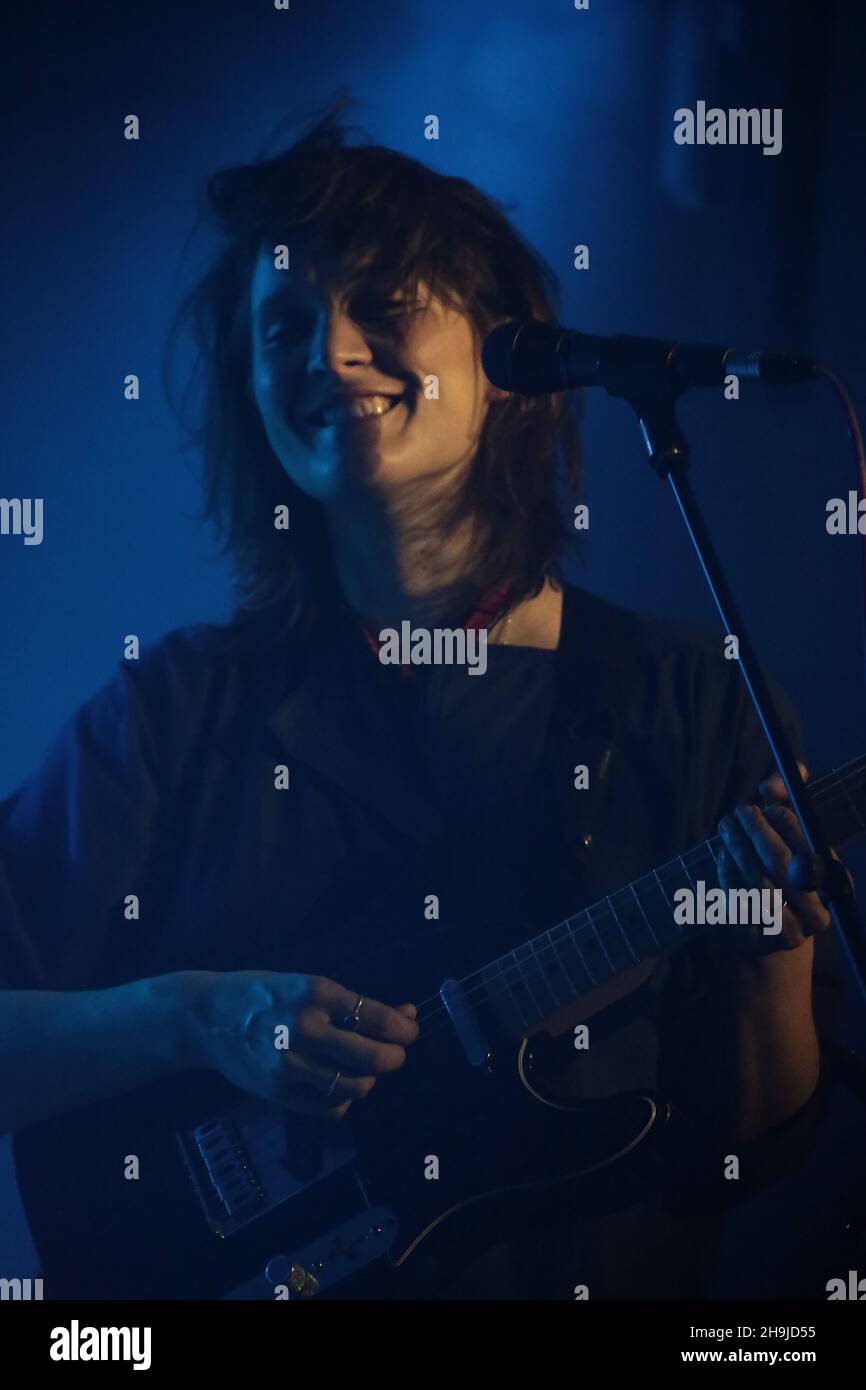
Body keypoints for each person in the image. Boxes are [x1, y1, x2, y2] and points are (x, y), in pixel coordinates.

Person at [0, 103, 848, 1299]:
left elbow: (744, 1160)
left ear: (507, 358)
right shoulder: (172, 710)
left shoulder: (688, 695)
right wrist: (191, 1017)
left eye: (383, 303)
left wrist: (770, 958)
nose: (330, 352)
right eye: (285, 325)